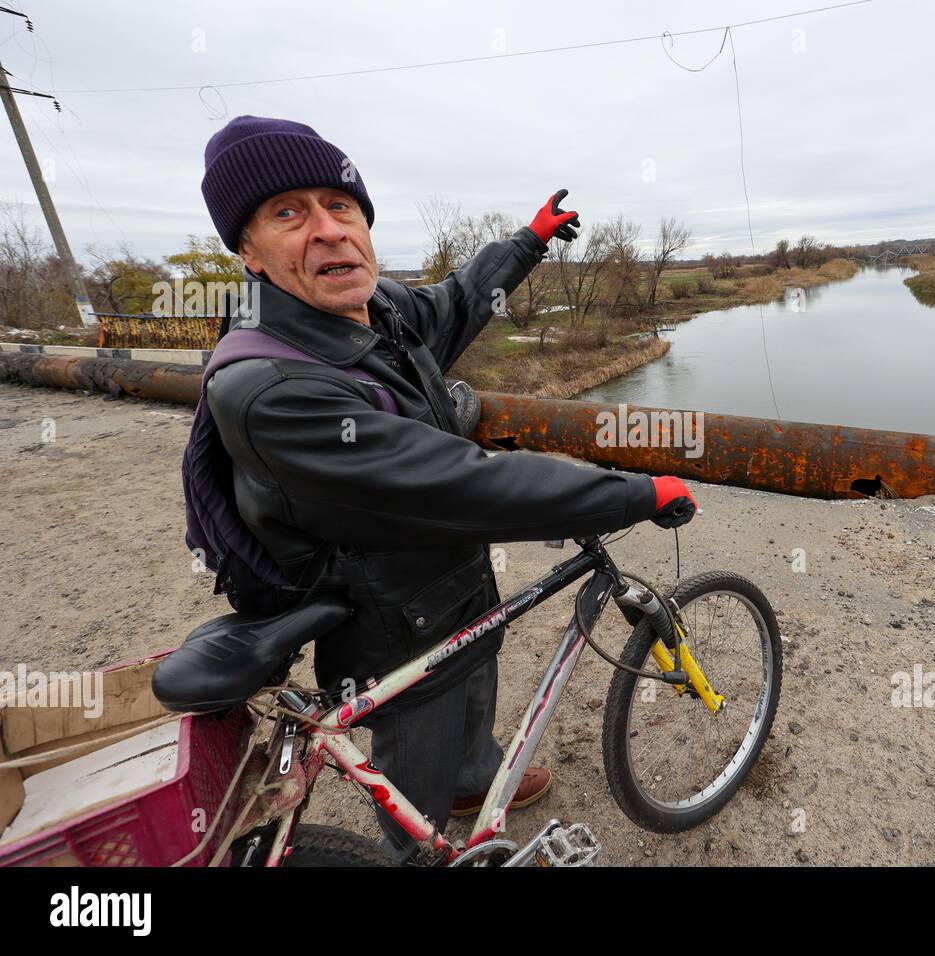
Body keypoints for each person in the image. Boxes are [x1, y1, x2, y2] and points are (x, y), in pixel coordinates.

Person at [198, 115, 696, 862]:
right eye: (287, 214)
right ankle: (419, 843)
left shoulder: (375, 311)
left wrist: (525, 243)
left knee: (475, 675)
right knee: (419, 747)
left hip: (447, 577)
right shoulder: (273, 387)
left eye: (341, 206)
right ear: (248, 251)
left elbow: (458, 302)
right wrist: (632, 493)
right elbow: (463, 485)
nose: (329, 231)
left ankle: (472, 779)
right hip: (388, 617)